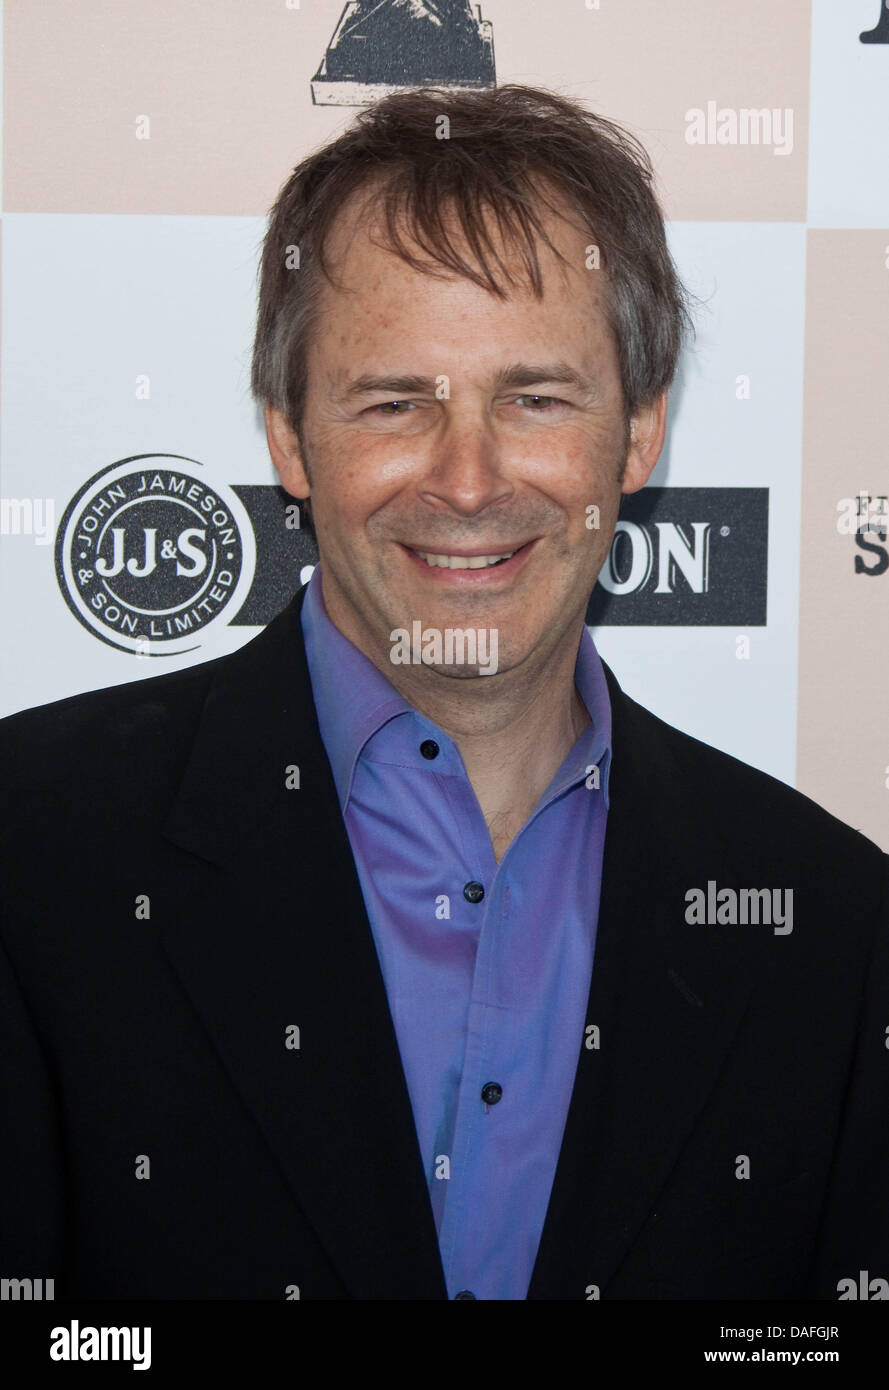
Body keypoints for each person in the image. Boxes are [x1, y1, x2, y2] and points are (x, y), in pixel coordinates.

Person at [1, 84, 886, 1302]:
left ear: (637, 435)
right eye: (393, 402)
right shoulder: (30, 850)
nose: (467, 480)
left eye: (534, 397)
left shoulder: (829, 921)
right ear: (288, 439)